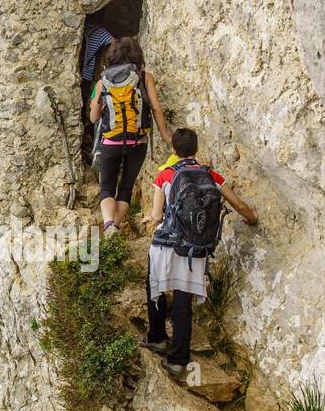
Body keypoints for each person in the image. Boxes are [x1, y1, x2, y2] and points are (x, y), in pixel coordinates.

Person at [142, 127, 257, 376]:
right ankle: (178, 359)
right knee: (184, 301)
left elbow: (156, 215)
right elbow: (236, 203)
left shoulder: (165, 176)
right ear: (196, 149)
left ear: (173, 149)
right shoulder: (210, 174)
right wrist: (252, 217)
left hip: (166, 245)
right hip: (194, 248)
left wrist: (150, 219)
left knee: (155, 287)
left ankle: (158, 337)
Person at [88, 36, 172, 235]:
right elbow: (156, 108)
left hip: (110, 142)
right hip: (138, 142)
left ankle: (109, 225)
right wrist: (166, 135)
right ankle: (114, 227)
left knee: (107, 187)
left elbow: (93, 117)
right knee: (126, 188)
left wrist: (95, 104)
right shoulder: (144, 77)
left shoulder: (102, 82)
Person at [80, 21, 114, 155]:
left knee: (80, 109)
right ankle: (86, 139)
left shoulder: (84, 30)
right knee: (85, 107)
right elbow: (116, 44)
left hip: (77, 74)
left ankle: (82, 139)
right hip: (86, 76)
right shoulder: (99, 31)